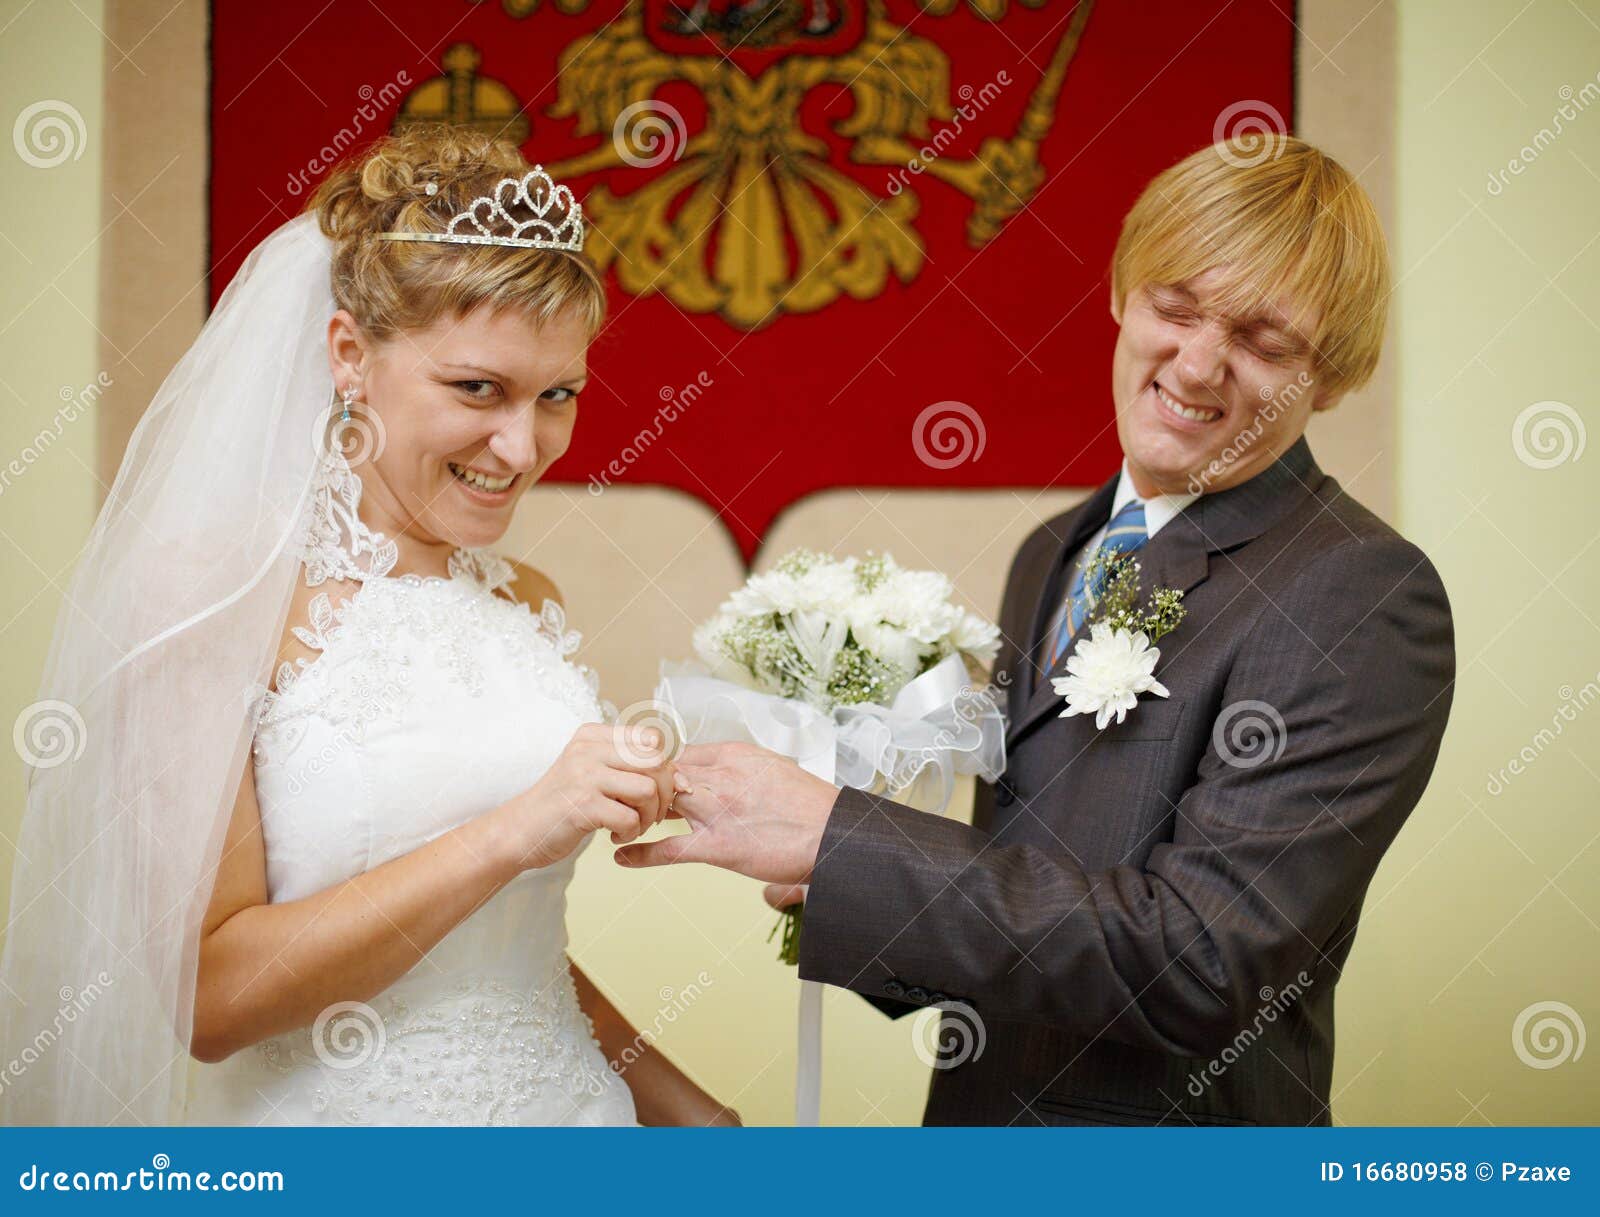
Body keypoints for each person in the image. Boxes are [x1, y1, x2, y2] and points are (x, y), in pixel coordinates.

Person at [617, 136, 1456, 1126]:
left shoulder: (1359, 592)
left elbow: (1202, 960)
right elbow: (1029, 882)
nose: (1196, 362)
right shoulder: (1054, 548)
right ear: (1118, 294)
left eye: (1264, 343)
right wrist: (836, 883)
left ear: (1334, 376)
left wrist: (845, 838)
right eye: (1174, 307)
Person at [0, 124, 732, 1126]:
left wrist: (693, 1111)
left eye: (556, 395)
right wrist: (517, 826)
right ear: (351, 354)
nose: (521, 446)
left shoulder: (525, 598)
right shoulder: (210, 601)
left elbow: (496, 956)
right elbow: (211, 998)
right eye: (479, 388)